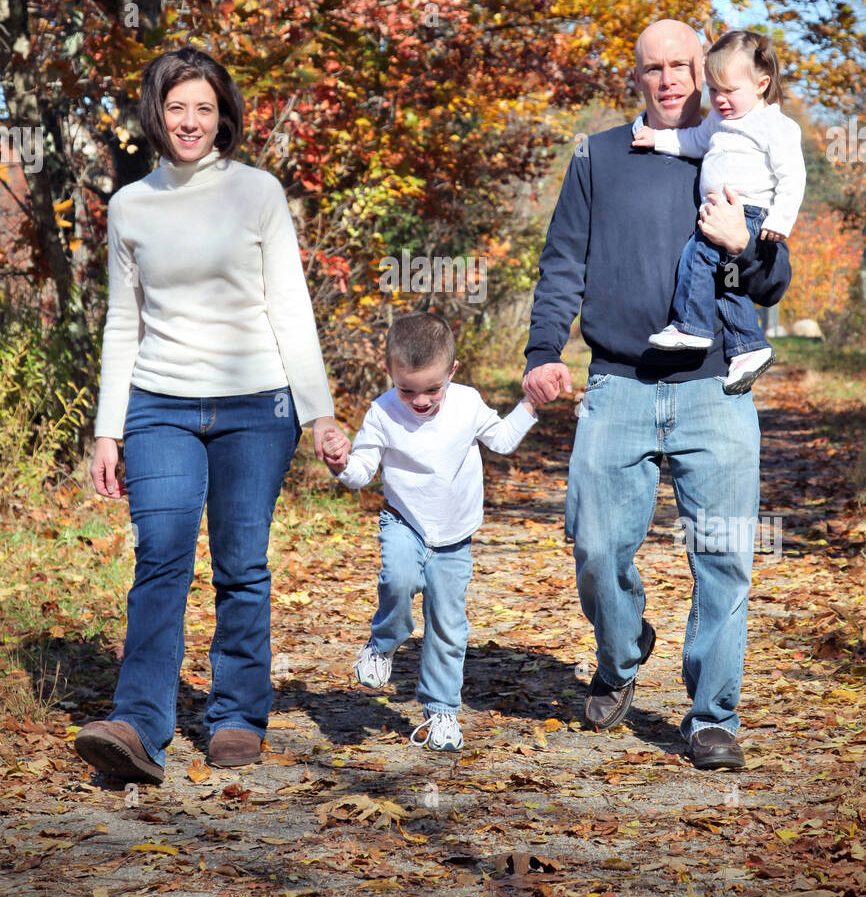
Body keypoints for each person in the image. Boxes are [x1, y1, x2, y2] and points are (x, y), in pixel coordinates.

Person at [522, 19, 792, 770]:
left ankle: (712, 717)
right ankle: (621, 649)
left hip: (716, 391)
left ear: (705, 73)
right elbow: (562, 263)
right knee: (598, 548)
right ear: (634, 76)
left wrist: (747, 245)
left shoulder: (736, 147)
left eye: (684, 66)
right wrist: (543, 350)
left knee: (724, 556)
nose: (671, 79)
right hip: (618, 383)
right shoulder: (599, 155)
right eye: (654, 67)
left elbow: (773, 279)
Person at [77, 46, 345, 784]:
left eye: (203, 107)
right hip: (159, 405)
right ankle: (138, 723)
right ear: (155, 117)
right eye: (176, 107)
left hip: (257, 405)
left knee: (240, 562)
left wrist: (318, 412)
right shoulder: (130, 205)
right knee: (161, 554)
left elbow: (289, 306)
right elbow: (122, 322)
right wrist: (108, 428)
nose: (190, 121)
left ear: (222, 114)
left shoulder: (256, 193)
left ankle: (234, 717)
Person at [321, 312, 537, 750]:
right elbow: (363, 470)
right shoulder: (382, 413)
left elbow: (501, 440)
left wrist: (530, 405)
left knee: (447, 623)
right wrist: (342, 464)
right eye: (407, 390)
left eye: (432, 389)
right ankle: (383, 644)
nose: (419, 401)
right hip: (404, 521)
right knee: (398, 580)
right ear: (390, 373)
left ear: (452, 372)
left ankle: (441, 711)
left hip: (455, 535)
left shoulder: (467, 403)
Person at [633, 29, 806, 394]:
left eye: (730, 91)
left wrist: (780, 220)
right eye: (714, 91)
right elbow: (692, 141)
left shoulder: (774, 126)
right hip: (722, 212)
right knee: (725, 282)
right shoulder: (718, 121)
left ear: (761, 84)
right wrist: (657, 139)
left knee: (696, 258)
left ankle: (691, 327)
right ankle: (750, 347)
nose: (721, 100)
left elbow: (792, 177)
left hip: (749, 213)